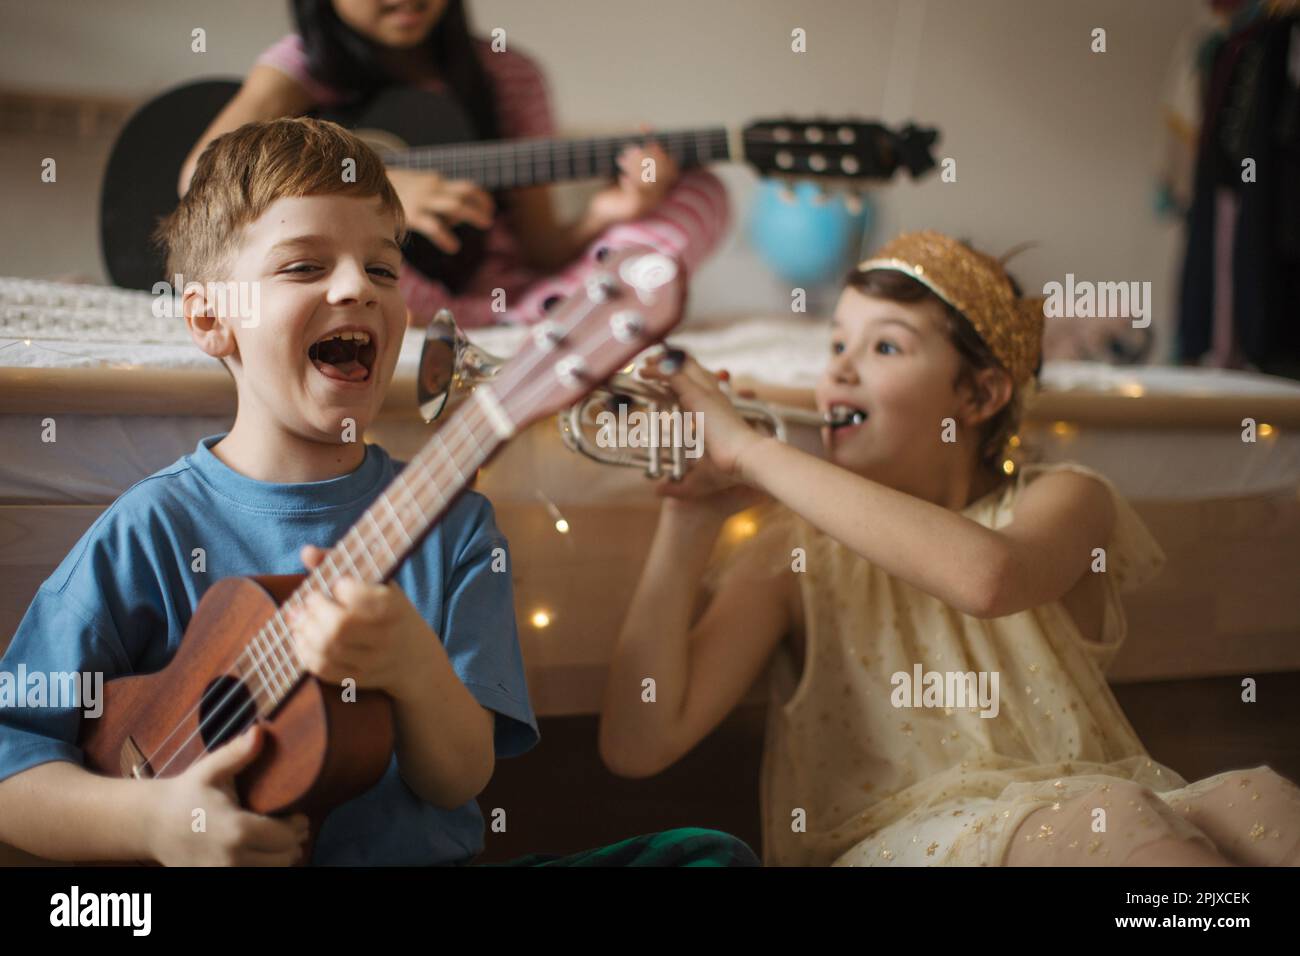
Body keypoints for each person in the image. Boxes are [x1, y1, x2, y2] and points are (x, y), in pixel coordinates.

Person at [0, 117, 756, 867]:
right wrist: (153, 823)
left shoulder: (457, 526)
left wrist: (412, 667)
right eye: (303, 267)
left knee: (707, 857)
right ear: (208, 317)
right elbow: (11, 761)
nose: (357, 287)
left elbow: (463, 776)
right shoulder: (152, 527)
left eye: (384, 270)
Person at [599, 229, 1300, 866]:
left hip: (1090, 813)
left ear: (980, 394)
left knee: (1259, 801)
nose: (840, 371)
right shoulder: (794, 551)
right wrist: (691, 520)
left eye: (884, 346)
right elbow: (639, 744)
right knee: (1112, 821)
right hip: (899, 843)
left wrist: (749, 450)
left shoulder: (1062, 498)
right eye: (836, 344)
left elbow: (988, 578)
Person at [178, 0, 730, 328]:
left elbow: (540, 249)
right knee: (325, 263)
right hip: (392, 286)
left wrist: (612, 212)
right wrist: (379, 187)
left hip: (511, 291)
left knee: (703, 189)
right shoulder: (301, 66)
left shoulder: (508, 75)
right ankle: (556, 319)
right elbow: (204, 174)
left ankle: (544, 315)